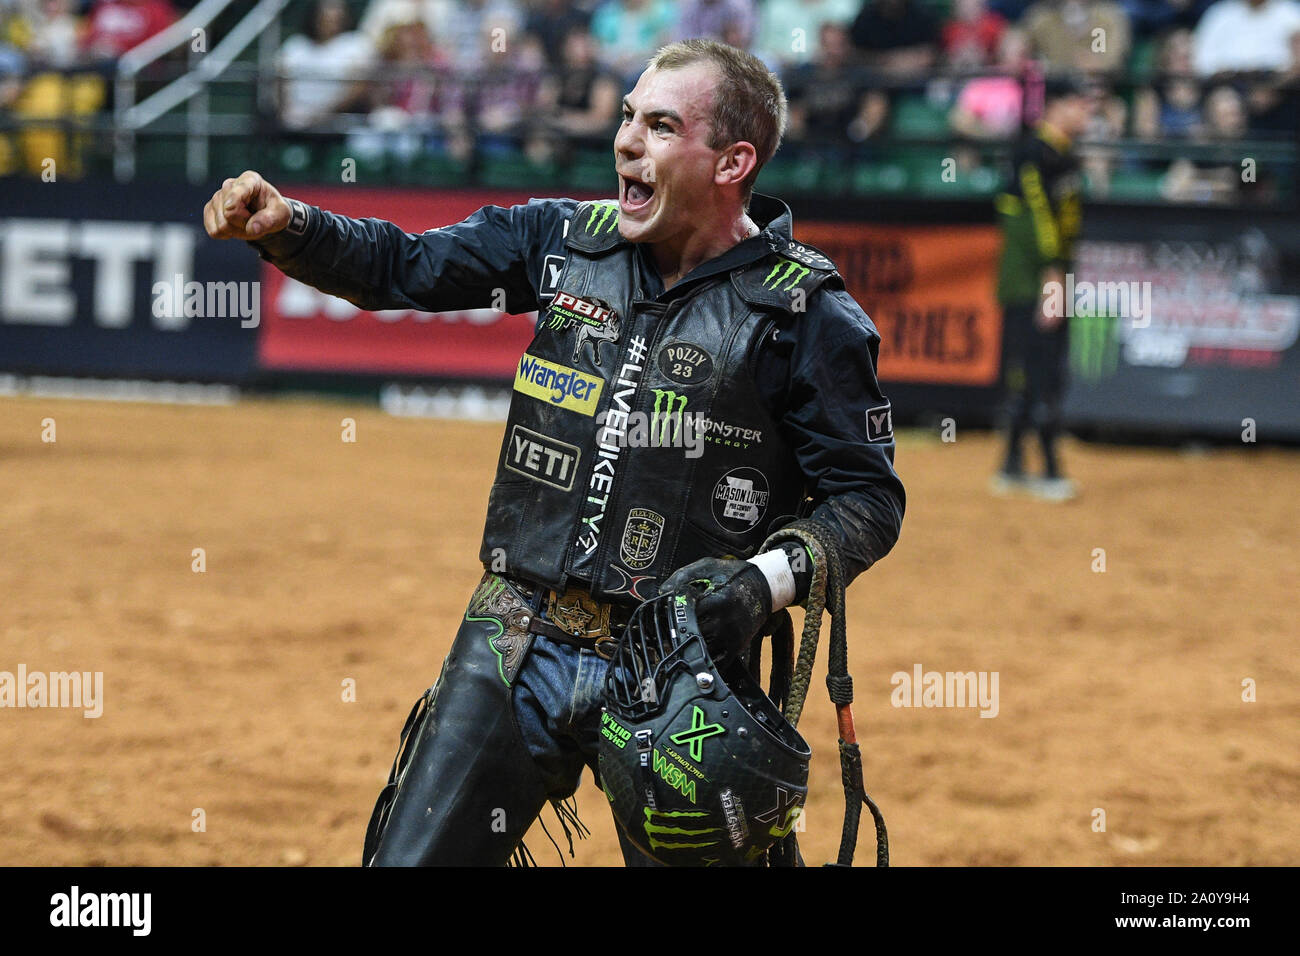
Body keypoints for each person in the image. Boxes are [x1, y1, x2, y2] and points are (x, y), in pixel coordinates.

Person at [203, 38, 905, 867]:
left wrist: (757, 588)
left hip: (680, 670)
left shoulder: (806, 314)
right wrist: (294, 228)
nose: (626, 141)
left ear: (732, 161)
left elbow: (867, 500)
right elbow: (407, 266)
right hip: (516, 633)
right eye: (626, 117)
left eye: (661, 125)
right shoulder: (564, 240)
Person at [992, 77, 1096, 502]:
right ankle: (1048, 470)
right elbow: (1038, 219)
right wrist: (1053, 275)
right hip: (1032, 281)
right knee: (1039, 372)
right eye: (1080, 104)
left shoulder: (1066, 156)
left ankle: (1013, 465)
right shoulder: (1033, 153)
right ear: (1055, 106)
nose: (1087, 113)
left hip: (1052, 276)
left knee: (1040, 370)